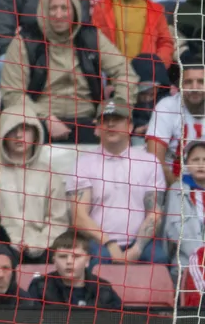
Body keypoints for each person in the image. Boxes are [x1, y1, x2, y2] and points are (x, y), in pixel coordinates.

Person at [0, 0, 139, 145]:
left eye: (64, 8)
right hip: (38, 120)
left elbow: (126, 73)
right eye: (53, 8)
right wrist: (46, 118)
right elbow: (13, 93)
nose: (59, 14)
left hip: (88, 120)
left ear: (75, 11)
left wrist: (112, 111)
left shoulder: (92, 37)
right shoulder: (25, 41)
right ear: (44, 10)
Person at [68, 100, 167, 264]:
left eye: (117, 119)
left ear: (130, 127)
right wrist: (109, 243)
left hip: (140, 241)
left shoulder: (150, 162)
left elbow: (154, 214)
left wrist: (137, 249)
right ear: (97, 128)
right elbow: (79, 217)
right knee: (97, 261)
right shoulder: (83, 163)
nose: (111, 124)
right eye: (105, 120)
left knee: (160, 259)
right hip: (98, 242)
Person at [0, 99, 70, 261]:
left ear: (36, 133)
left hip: (43, 249)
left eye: (25, 129)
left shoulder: (50, 176)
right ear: (2, 133)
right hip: (0, 247)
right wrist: (11, 242)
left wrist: (37, 244)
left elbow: (58, 222)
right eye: (12, 130)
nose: (18, 135)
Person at [26, 230, 124, 309]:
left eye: (76, 256)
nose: (69, 261)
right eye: (63, 256)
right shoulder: (40, 287)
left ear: (87, 261)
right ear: (54, 261)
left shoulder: (103, 289)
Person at [147, 61, 205, 184]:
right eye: (188, 82)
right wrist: (177, 192)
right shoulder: (166, 107)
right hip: (173, 185)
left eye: (201, 82)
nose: (195, 88)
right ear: (180, 85)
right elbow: (154, 160)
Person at [160, 138, 205, 298]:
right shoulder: (177, 190)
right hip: (187, 261)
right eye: (195, 159)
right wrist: (200, 254)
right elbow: (174, 230)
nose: (201, 164)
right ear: (187, 164)